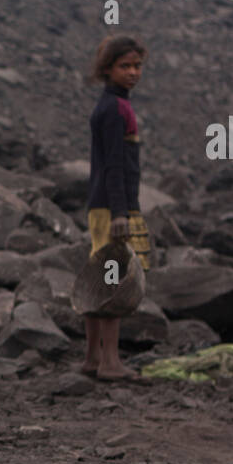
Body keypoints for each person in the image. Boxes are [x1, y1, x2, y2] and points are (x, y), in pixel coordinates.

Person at [83, 35, 150, 381]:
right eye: (125, 66)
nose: (133, 72)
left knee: (101, 276)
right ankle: (109, 362)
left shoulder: (112, 105)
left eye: (137, 66)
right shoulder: (114, 109)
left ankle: (94, 358)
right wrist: (122, 212)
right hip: (111, 207)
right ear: (107, 68)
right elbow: (114, 165)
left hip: (104, 205)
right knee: (113, 281)